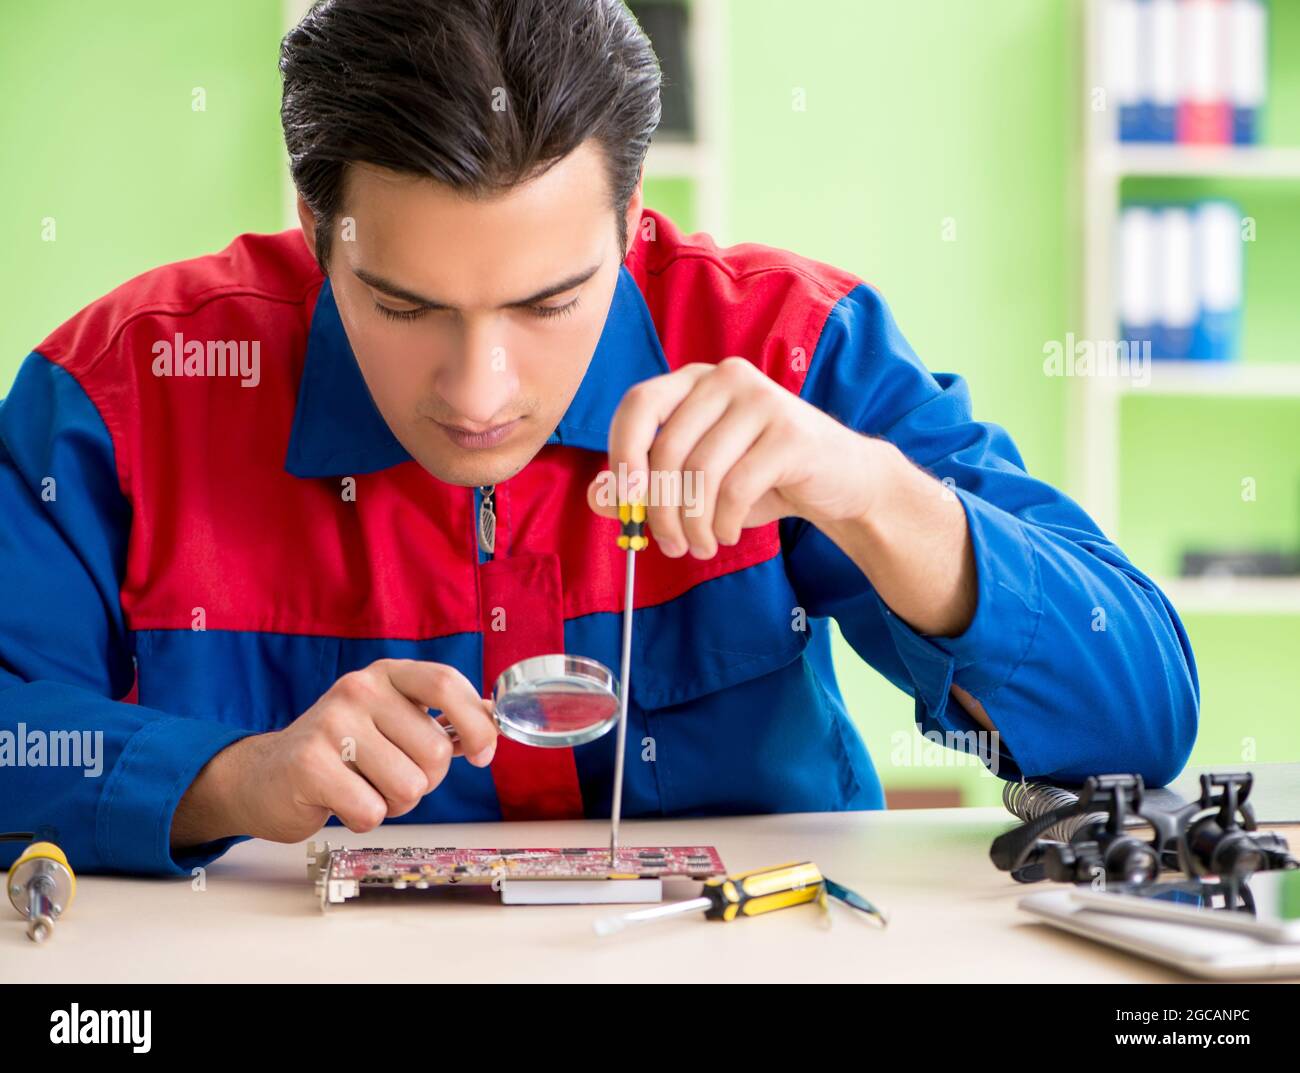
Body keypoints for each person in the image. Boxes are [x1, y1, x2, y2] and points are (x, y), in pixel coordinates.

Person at [0, 0, 1197, 876]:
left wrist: (874, 495)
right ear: (318, 226)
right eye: (406, 305)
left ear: (630, 219)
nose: (480, 389)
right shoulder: (123, 392)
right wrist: (229, 777)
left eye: (548, 301)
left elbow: (1139, 717)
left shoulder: (790, 345)